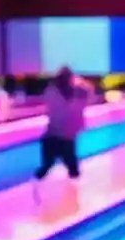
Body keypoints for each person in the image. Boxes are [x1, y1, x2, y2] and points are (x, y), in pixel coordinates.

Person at [33, 66, 91, 199]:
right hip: (63, 138)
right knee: (72, 169)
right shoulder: (76, 96)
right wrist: (80, 82)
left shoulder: (52, 92)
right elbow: (87, 92)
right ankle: (73, 197)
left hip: (52, 137)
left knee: (49, 166)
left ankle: (37, 188)